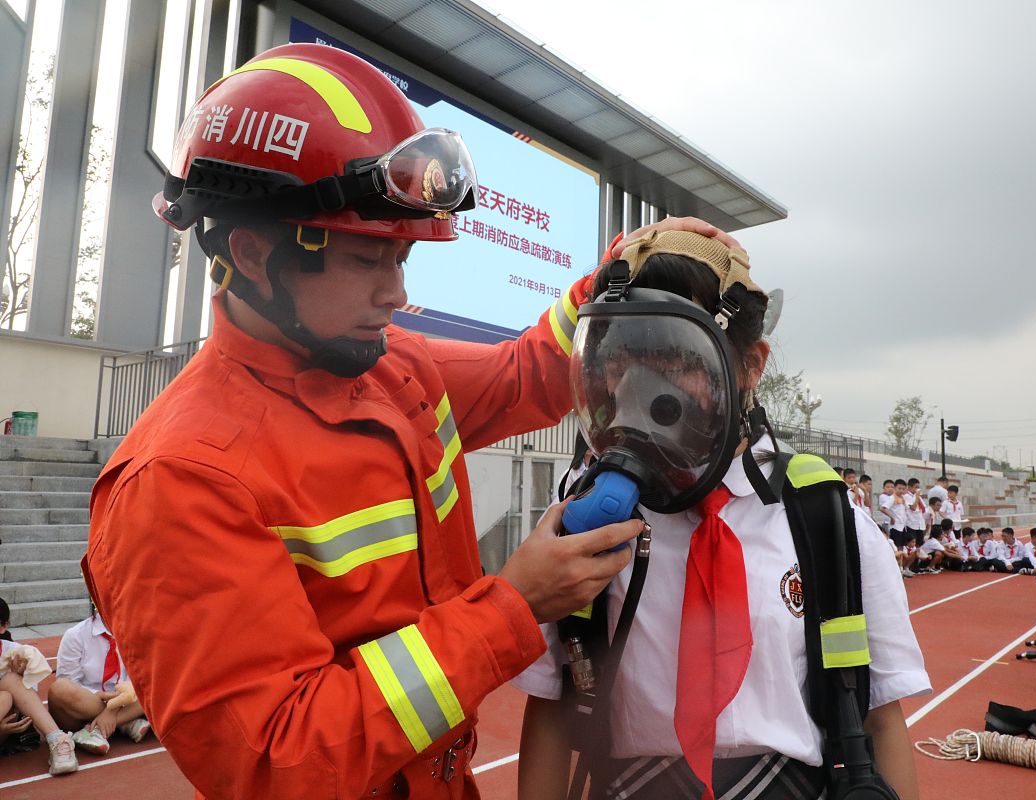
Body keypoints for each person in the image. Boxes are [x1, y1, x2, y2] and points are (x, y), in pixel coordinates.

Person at [81, 44, 712, 799]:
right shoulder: (180, 479)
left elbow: (528, 374)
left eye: (405, 256)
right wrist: (513, 606)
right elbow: (275, 760)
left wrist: (620, 269)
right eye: (367, 259)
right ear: (252, 254)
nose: (396, 292)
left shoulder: (389, 363)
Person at [514, 233, 928, 800]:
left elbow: (881, 717)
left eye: (678, 358)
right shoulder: (584, 519)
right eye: (625, 357)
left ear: (749, 367)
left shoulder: (823, 516)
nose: (641, 384)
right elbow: (553, 712)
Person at [47, 611, 152, 754]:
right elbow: (69, 680)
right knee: (60, 688)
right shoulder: (76, 635)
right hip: (88, 703)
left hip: (128, 700)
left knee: (158, 682)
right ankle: (125, 722)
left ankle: (94, 730)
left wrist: (112, 709)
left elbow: (141, 677)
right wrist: (98, 695)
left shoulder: (140, 632)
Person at [0, 637, 78, 774]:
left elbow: (29, 700)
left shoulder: (18, 652)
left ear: (3, 627)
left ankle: (57, 739)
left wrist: (22, 673)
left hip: (7, 720)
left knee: (9, 687)